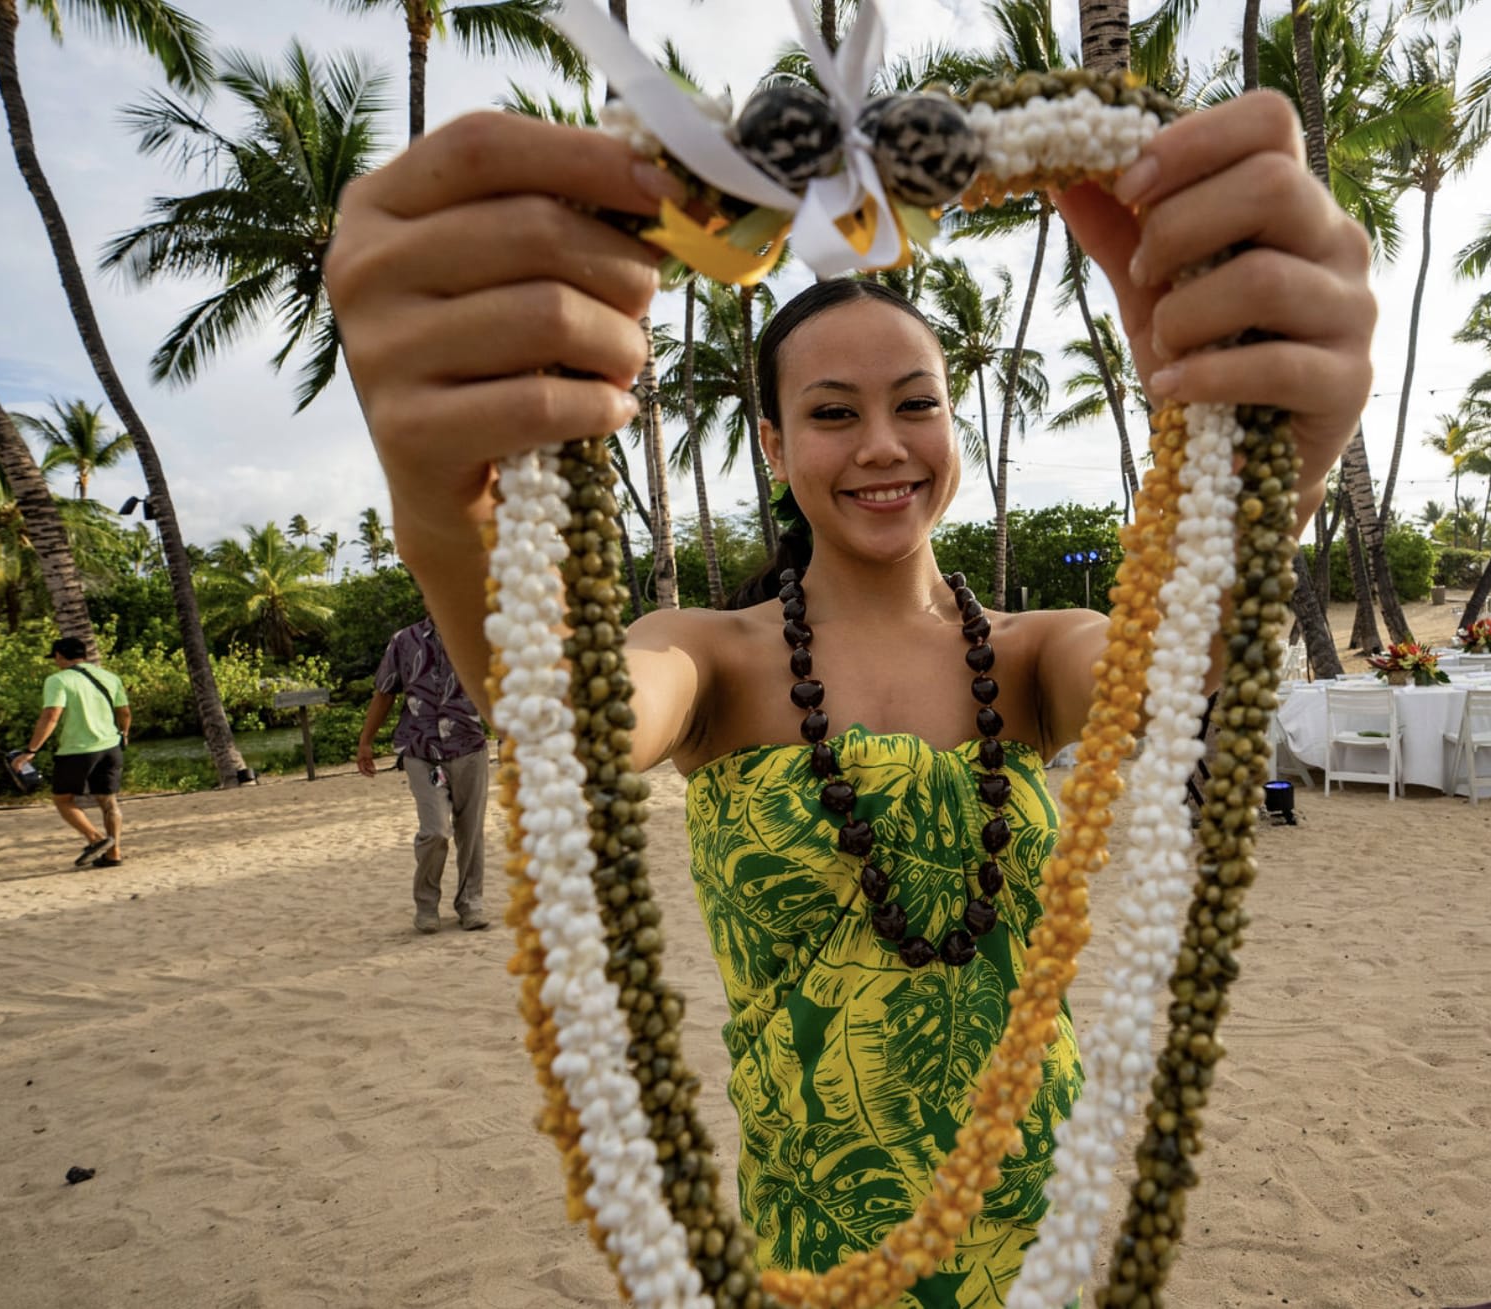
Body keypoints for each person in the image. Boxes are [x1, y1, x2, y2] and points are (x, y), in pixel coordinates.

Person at [327, 89, 1372, 1305]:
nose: (882, 444)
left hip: (1045, 1215)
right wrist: (443, 508)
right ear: (773, 446)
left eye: (915, 402)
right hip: (819, 1236)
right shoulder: (707, 658)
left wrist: (1265, 473)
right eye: (831, 414)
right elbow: (566, 713)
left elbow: (1172, 667)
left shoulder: (1035, 656)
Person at [358, 617, 491, 934]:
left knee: (471, 832)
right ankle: (427, 905)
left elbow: (499, 689)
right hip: (421, 751)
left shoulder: (479, 635)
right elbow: (385, 692)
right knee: (435, 831)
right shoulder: (404, 640)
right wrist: (366, 741)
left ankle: (470, 904)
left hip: (469, 747)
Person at [19, 635, 130, 868]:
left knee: (62, 799)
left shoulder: (58, 680)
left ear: (60, 656)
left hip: (77, 750)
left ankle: (96, 839)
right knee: (109, 801)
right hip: (111, 746)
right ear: (84, 655)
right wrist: (124, 734)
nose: (55, 662)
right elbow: (125, 712)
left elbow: (51, 716)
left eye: (55, 658)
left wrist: (31, 750)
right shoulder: (110, 677)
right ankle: (114, 853)